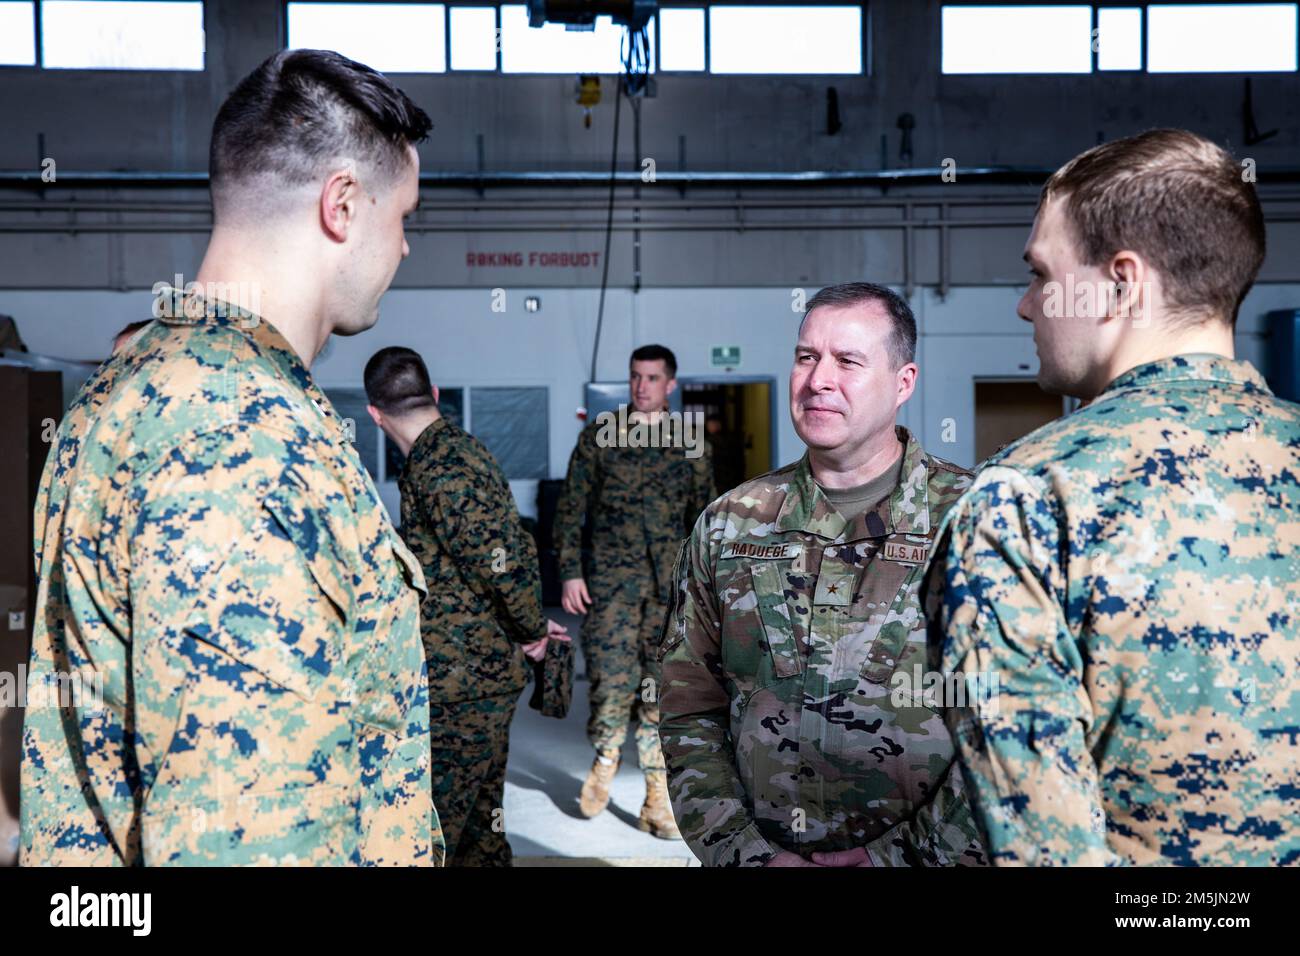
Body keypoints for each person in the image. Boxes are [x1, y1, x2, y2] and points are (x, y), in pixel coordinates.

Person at [21, 49, 440, 866]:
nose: (406, 249)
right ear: (343, 205)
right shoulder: (243, 441)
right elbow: (248, 838)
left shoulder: (127, 393)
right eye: (406, 218)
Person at [926, 128, 1300, 866]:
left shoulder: (1023, 502)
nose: (1026, 307)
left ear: (1121, 283)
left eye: (1040, 273)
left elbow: (1043, 852)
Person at [659, 283, 986, 867]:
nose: (818, 380)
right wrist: (745, 852)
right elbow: (690, 705)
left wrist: (892, 859)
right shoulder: (731, 525)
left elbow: (1013, 729)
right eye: (806, 356)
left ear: (904, 382)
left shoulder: (974, 523)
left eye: (849, 361)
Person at [364, 346, 569, 867]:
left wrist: (530, 630)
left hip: (466, 681)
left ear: (374, 413)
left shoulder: (443, 463)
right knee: (480, 826)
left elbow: (500, 563)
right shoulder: (447, 454)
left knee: (432, 831)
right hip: (470, 676)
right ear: (434, 394)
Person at [554, 344, 715, 838]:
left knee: (661, 689)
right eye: (634, 377)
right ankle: (604, 757)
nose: (641, 386)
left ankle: (657, 793)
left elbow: (706, 519)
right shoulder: (601, 436)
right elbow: (569, 507)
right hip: (610, 588)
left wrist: (704, 587)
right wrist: (570, 571)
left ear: (671, 384)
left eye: (651, 378)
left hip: (669, 591)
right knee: (608, 682)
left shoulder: (691, 441)